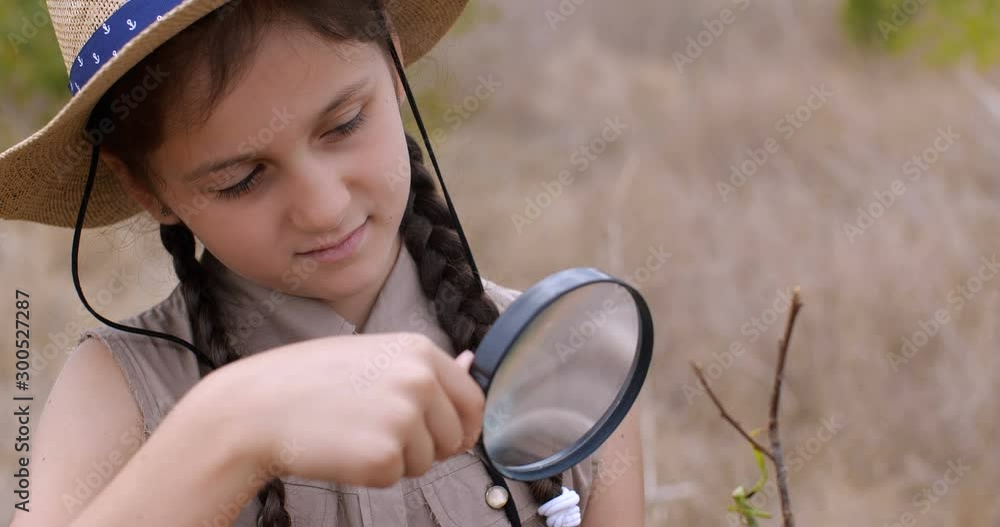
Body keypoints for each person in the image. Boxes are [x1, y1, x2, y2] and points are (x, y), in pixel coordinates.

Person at [1, 0, 644, 525]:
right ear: (149, 189)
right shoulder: (116, 391)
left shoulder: (565, 356)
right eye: (242, 179)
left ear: (393, 62)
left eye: (343, 125)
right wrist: (232, 428)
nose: (324, 207)